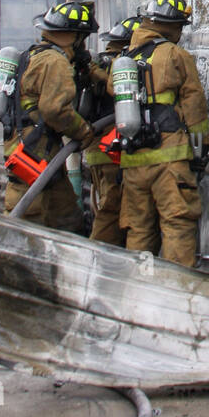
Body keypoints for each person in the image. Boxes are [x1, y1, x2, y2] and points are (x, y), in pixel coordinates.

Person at [113, 0, 209, 267]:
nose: (181, 33)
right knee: (177, 223)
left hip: (133, 161)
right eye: (180, 26)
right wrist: (201, 150)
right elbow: (195, 108)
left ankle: (138, 291)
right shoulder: (176, 55)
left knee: (139, 229)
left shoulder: (124, 60)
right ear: (171, 27)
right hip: (170, 157)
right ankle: (175, 293)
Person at [3, 1, 99, 232]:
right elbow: (55, 110)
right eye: (83, 38)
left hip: (35, 149)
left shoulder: (33, 55)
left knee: (65, 214)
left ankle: (72, 260)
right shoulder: (55, 61)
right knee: (26, 222)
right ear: (73, 36)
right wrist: (83, 131)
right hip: (35, 152)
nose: (83, 45)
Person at [85, 15, 141, 245]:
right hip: (111, 152)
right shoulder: (120, 66)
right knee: (111, 208)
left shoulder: (98, 62)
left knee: (103, 205)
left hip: (96, 151)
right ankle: (98, 259)